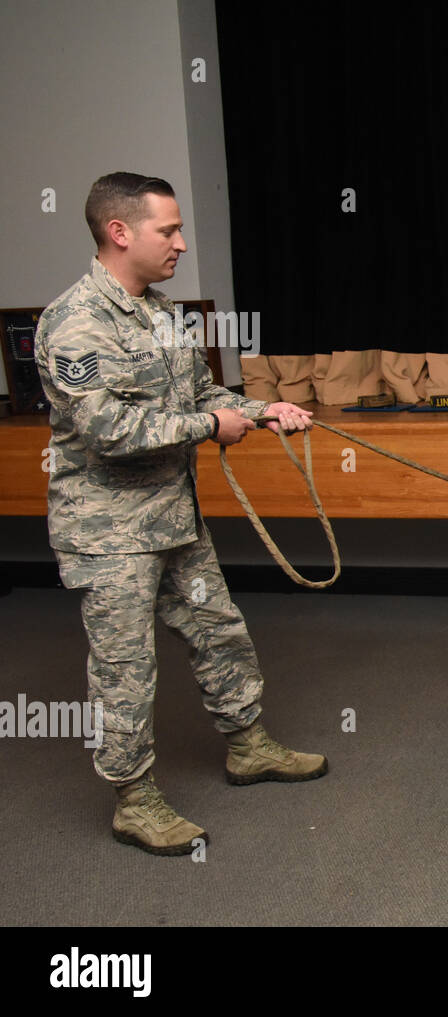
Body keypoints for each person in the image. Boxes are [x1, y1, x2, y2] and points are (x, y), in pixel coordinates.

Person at [36, 172, 328, 856]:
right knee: (126, 670)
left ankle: (247, 745)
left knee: (219, 631)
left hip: (173, 519)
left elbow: (202, 390)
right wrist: (209, 424)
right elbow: (107, 427)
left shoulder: (165, 315)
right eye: (167, 229)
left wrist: (260, 410)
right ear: (119, 232)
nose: (180, 241)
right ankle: (133, 798)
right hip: (109, 536)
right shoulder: (75, 321)